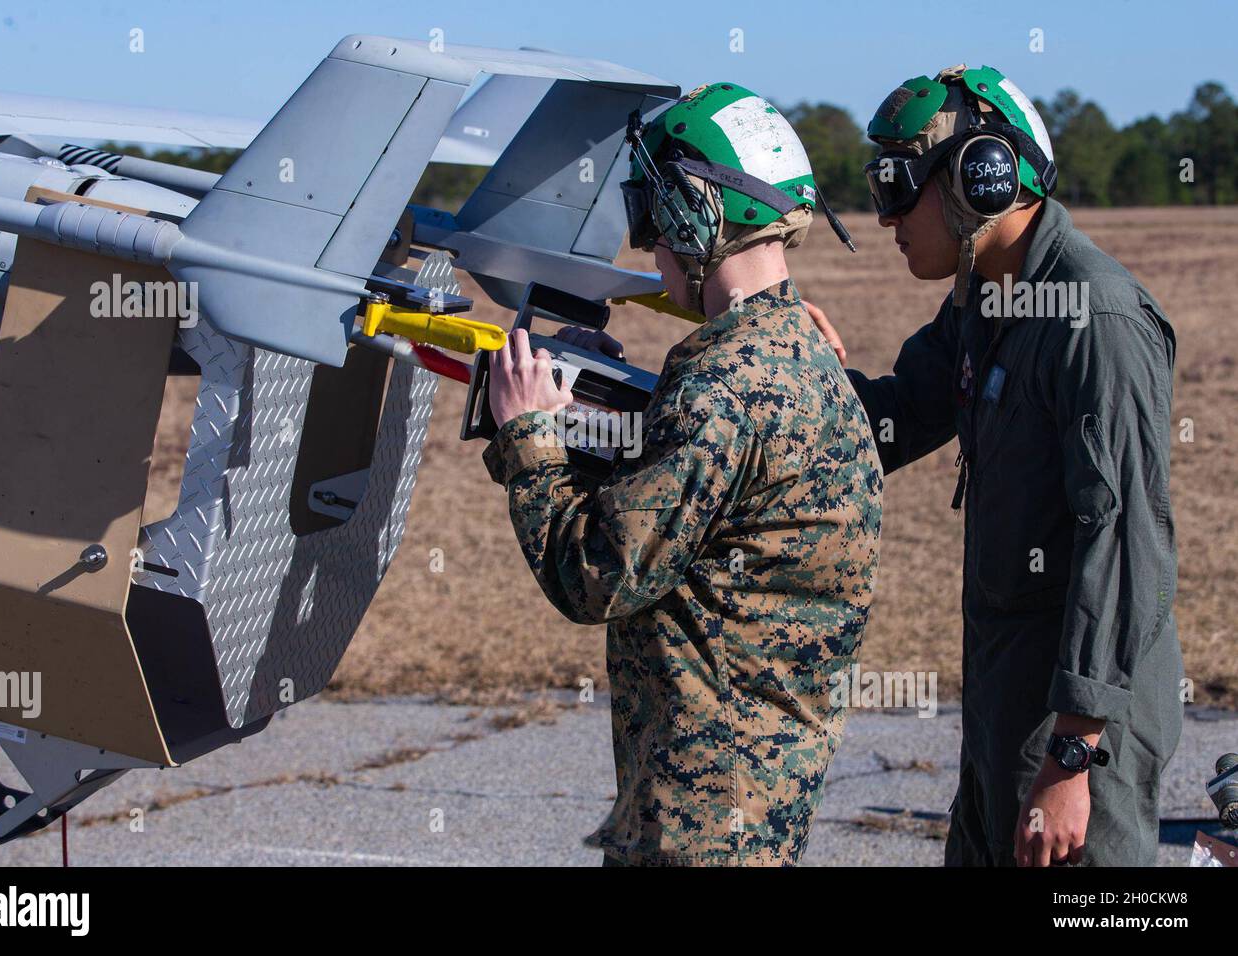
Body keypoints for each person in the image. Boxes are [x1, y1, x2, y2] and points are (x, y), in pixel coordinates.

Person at [482, 82, 882, 865]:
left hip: (700, 818)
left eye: (650, 213)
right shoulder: (806, 358)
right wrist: (595, 413)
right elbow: (699, 521)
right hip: (755, 796)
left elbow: (594, 575)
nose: (647, 246)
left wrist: (529, 436)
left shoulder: (721, 387)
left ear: (696, 213)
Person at [811, 64, 1182, 866]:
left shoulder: (1096, 318)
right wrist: (785, 366)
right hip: (1007, 711)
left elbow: (1123, 544)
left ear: (983, 175)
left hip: (1080, 732)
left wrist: (1073, 757)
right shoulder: (989, 297)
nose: (886, 218)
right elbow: (896, 416)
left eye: (900, 186)